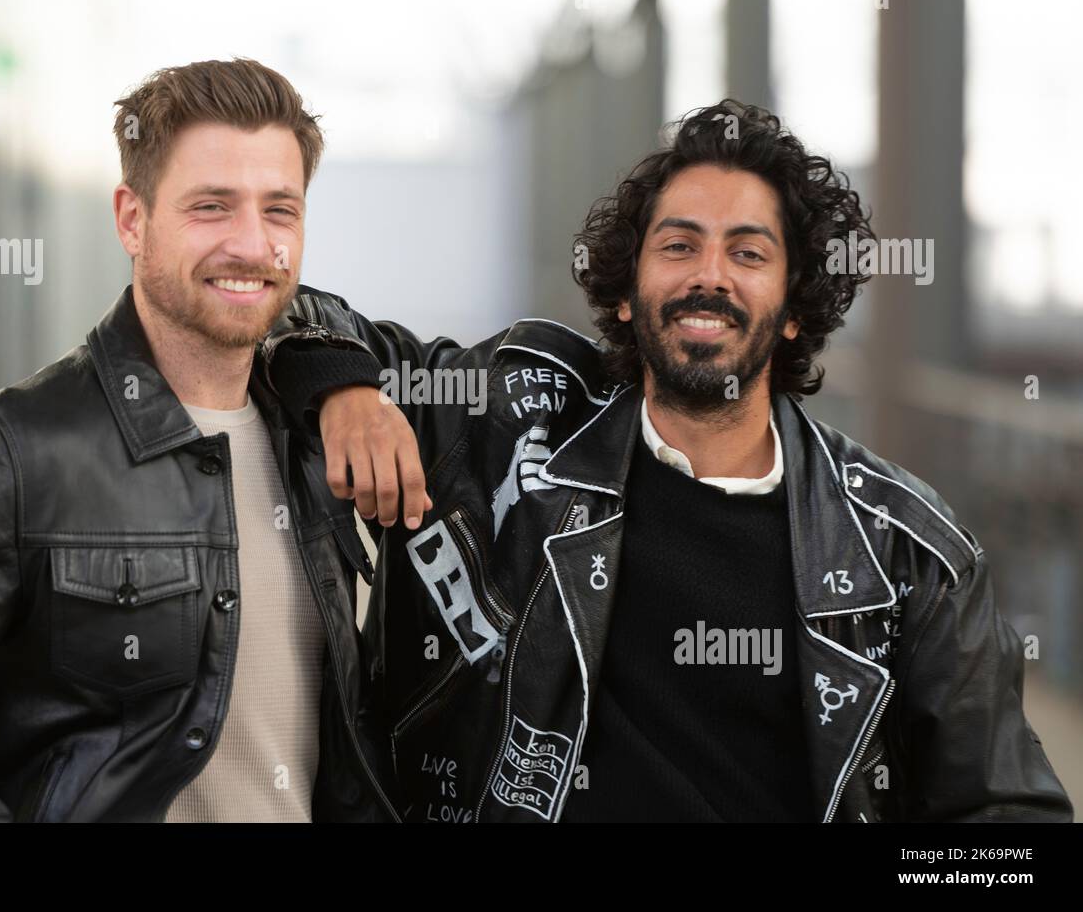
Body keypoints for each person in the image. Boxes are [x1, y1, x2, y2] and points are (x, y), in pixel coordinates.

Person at [263, 100, 1074, 822]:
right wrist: (349, 392)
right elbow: (284, 306)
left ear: (793, 310)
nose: (709, 277)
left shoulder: (907, 554)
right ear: (625, 290)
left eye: (749, 255)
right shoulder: (518, 417)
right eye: (679, 245)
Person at [0, 58, 399, 822]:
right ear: (131, 218)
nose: (253, 245)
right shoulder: (18, 452)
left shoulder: (312, 441)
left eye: (279, 210)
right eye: (212, 207)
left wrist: (348, 379)